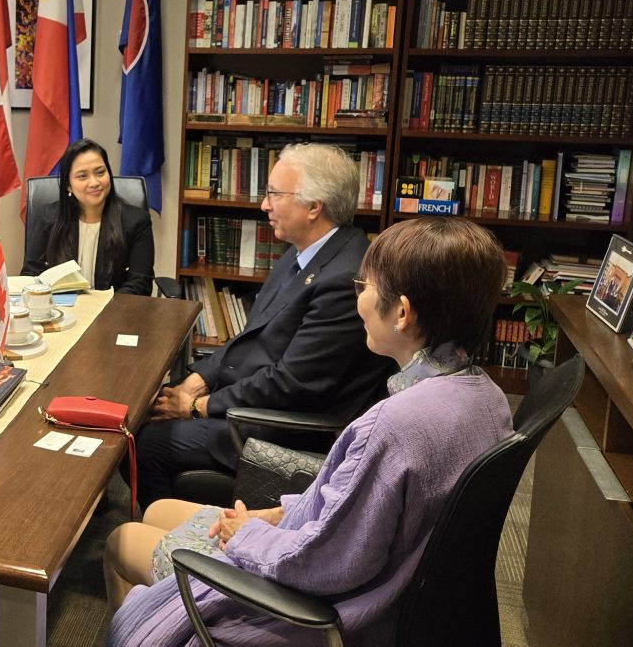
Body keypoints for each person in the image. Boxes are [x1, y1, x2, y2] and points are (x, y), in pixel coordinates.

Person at [105, 217, 515, 647]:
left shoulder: (395, 426)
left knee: (120, 541)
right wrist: (275, 515)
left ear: (401, 313)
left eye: (365, 286)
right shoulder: (488, 399)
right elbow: (354, 512)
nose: (358, 298)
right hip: (389, 589)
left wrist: (245, 534)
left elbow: (325, 562)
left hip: (326, 610)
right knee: (157, 510)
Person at [133, 143, 387, 508]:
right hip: (251, 397)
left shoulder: (343, 279)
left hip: (283, 429)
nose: (264, 205)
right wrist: (195, 381)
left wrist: (197, 406)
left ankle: (175, 535)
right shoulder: (302, 252)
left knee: (144, 445)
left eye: (274, 194)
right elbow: (252, 337)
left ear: (313, 207)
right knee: (146, 409)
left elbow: (291, 384)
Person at [22, 138, 154, 295]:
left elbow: (140, 285)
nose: (94, 182)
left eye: (100, 172)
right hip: (59, 308)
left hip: (114, 308)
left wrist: (101, 305)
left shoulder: (136, 221)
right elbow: (30, 275)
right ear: (68, 185)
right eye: (82, 176)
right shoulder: (48, 218)